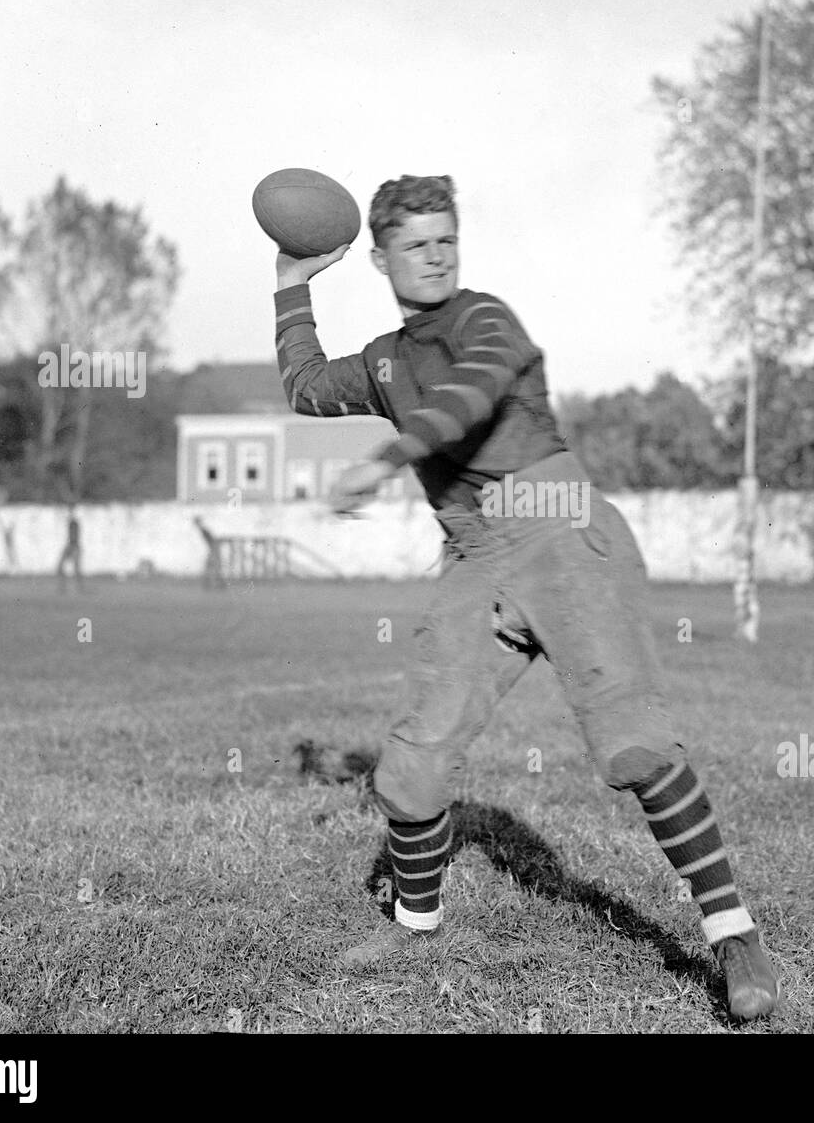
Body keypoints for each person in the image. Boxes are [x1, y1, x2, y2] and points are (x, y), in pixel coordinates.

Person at [272, 175, 778, 1021]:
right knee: (413, 755)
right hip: (475, 549)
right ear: (381, 256)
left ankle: (734, 936)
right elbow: (307, 387)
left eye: (447, 240)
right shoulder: (385, 359)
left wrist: (391, 457)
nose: (436, 255)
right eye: (416, 243)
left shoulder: (486, 319)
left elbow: (465, 402)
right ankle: (416, 923)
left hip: (559, 529)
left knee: (632, 747)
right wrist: (290, 287)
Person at [56, 504, 84, 594]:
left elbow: (74, 536)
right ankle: (64, 588)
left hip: (73, 546)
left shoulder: (74, 523)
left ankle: (78, 588)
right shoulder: (71, 523)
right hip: (71, 546)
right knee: (61, 567)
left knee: (75, 569)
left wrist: (71, 547)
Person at [193, 516, 225, 590]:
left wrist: (213, 549)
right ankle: (215, 584)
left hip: (213, 549)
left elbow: (213, 540)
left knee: (211, 566)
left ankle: (213, 584)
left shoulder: (204, 530)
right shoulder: (204, 530)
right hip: (213, 548)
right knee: (213, 566)